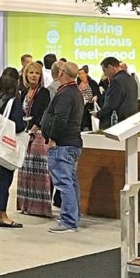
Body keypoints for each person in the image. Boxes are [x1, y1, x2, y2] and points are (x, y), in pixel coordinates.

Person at [41, 61, 84, 233]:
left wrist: (52, 139)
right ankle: (72, 216)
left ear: (61, 73)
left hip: (63, 145)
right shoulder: (75, 92)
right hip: (72, 143)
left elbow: (60, 119)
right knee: (71, 182)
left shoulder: (66, 94)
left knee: (64, 183)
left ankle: (69, 221)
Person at [0, 68, 25, 228]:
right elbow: (17, 125)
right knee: (4, 179)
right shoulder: (13, 101)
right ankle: (3, 215)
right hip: (5, 145)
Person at [16, 61, 52, 218]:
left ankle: (39, 207)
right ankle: (25, 204)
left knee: (38, 171)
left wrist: (33, 130)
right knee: (25, 170)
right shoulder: (24, 92)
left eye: (37, 73)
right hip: (24, 133)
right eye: (31, 72)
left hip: (37, 135)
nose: (34, 75)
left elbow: (43, 114)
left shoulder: (43, 92)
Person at [97, 57, 139, 128]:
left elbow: (112, 104)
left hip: (119, 124)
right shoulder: (131, 79)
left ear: (110, 67)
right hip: (131, 121)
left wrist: (98, 114)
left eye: (104, 70)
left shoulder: (116, 81)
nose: (105, 74)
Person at [77, 65, 100, 131]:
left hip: (90, 106)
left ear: (86, 74)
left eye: (82, 73)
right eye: (79, 74)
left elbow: (97, 93)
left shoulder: (92, 83)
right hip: (81, 106)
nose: (81, 75)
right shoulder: (77, 84)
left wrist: (95, 97)